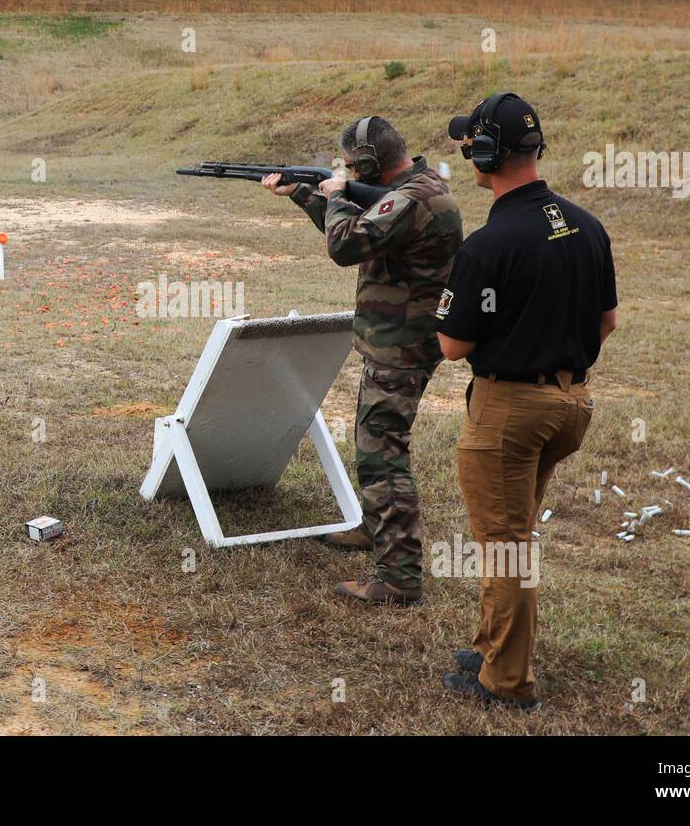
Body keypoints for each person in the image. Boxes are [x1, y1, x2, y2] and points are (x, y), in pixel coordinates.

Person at [434, 92, 618, 708]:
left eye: (471, 145)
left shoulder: (488, 245)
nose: (466, 154)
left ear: (487, 152)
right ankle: (492, 645)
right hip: (571, 406)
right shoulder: (587, 225)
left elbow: (454, 345)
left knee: (506, 544)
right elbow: (608, 321)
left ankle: (507, 682)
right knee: (509, 532)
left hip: (510, 412)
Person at [261, 116, 462, 606]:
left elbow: (346, 244)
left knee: (383, 457)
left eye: (352, 166)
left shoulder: (412, 198)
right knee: (374, 442)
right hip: (395, 342)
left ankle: (399, 577)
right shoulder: (416, 189)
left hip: (402, 346)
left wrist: (333, 194)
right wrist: (305, 195)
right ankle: (375, 528)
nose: (347, 170)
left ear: (370, 165)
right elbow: (367, 232)